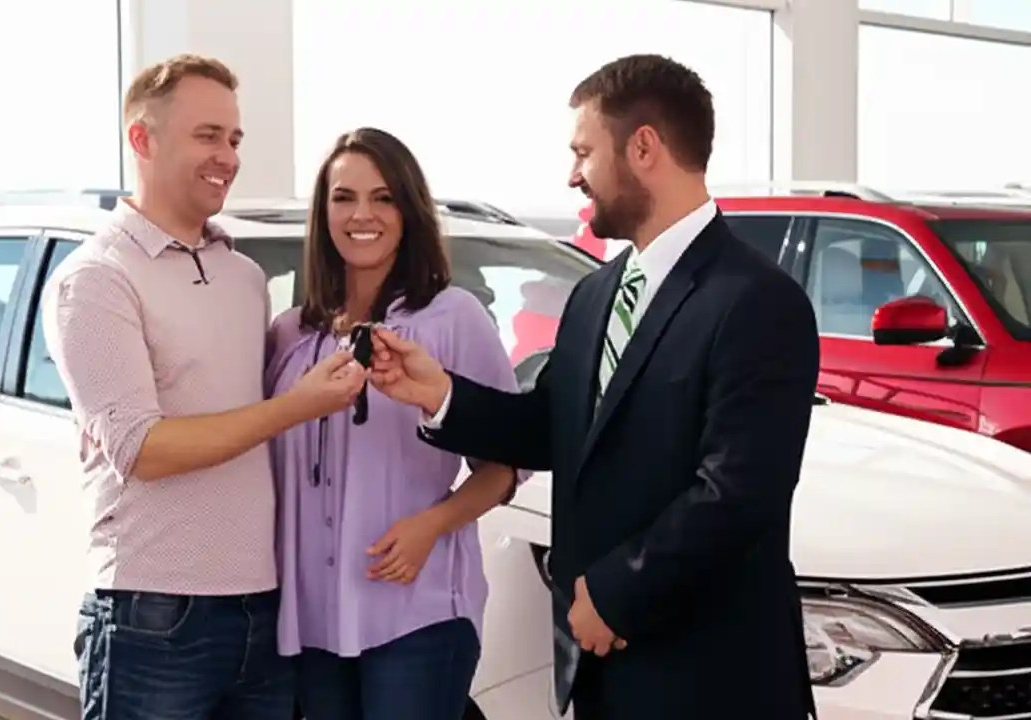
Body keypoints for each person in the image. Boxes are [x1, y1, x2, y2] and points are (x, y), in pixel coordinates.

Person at [368, 54, 820, 720]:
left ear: (643, 148)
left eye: (583, 151)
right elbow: (551, 428)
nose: (572, 174)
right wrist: (438, 393)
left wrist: (612, 594)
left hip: (710, 677)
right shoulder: (594, 296)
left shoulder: (757, 301)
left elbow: (738, 493)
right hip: (603, 671)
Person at [43, 54, 367, 720]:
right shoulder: (98, 278)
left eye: (234, 138)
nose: (227, 155)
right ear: (143, 139)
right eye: (207, 135)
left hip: (263, 611)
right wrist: (293, 408)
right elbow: (142, 449)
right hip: (152, 615)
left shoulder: (244, 277)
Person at [264, 127, 525, 720]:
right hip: (311, 623)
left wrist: (432, 526)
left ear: (408, 210)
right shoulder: (290, 334)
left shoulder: (452, 319)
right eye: (344, 197)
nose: (363, 214)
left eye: (384, 198)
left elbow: (507, 467)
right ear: (322, 211)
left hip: (419, 614)